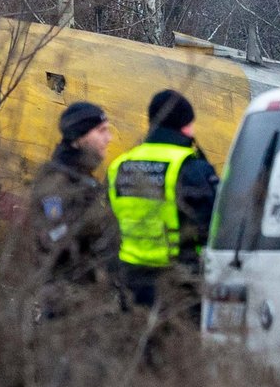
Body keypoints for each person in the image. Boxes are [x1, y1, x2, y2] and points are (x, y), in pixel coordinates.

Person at [107, 89, 219, 315]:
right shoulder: (191, 169)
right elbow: (215, 225)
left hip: (130, 282)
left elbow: (107, 225)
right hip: (178, 283)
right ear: (186, 126)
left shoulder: (120, 166)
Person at [30, 102, 119, 317]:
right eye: (101, 131)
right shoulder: (57, 181)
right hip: (68, 300)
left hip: (87, 295)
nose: (109, 138)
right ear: (79, 139)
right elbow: (53, 236)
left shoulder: (84, 179)